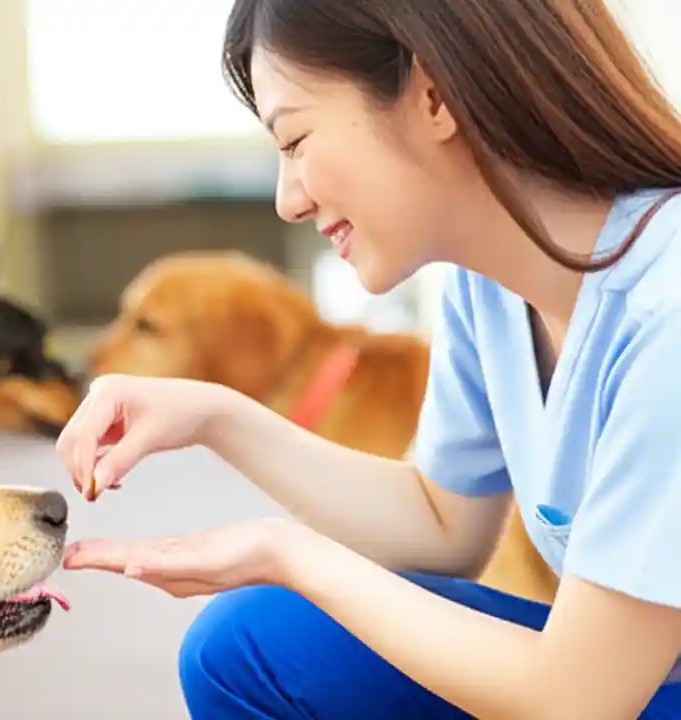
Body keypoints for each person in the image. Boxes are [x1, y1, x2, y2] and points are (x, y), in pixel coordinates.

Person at [55, 1, 681, 718]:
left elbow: (576, 699)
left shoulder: (666, 308)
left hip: (604, 694)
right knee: (252, 646)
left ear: (435, 94)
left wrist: (287, 553)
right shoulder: (490, 292)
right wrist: (214, 417)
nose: (288, 200)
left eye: (295, 141)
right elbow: (442, 526)